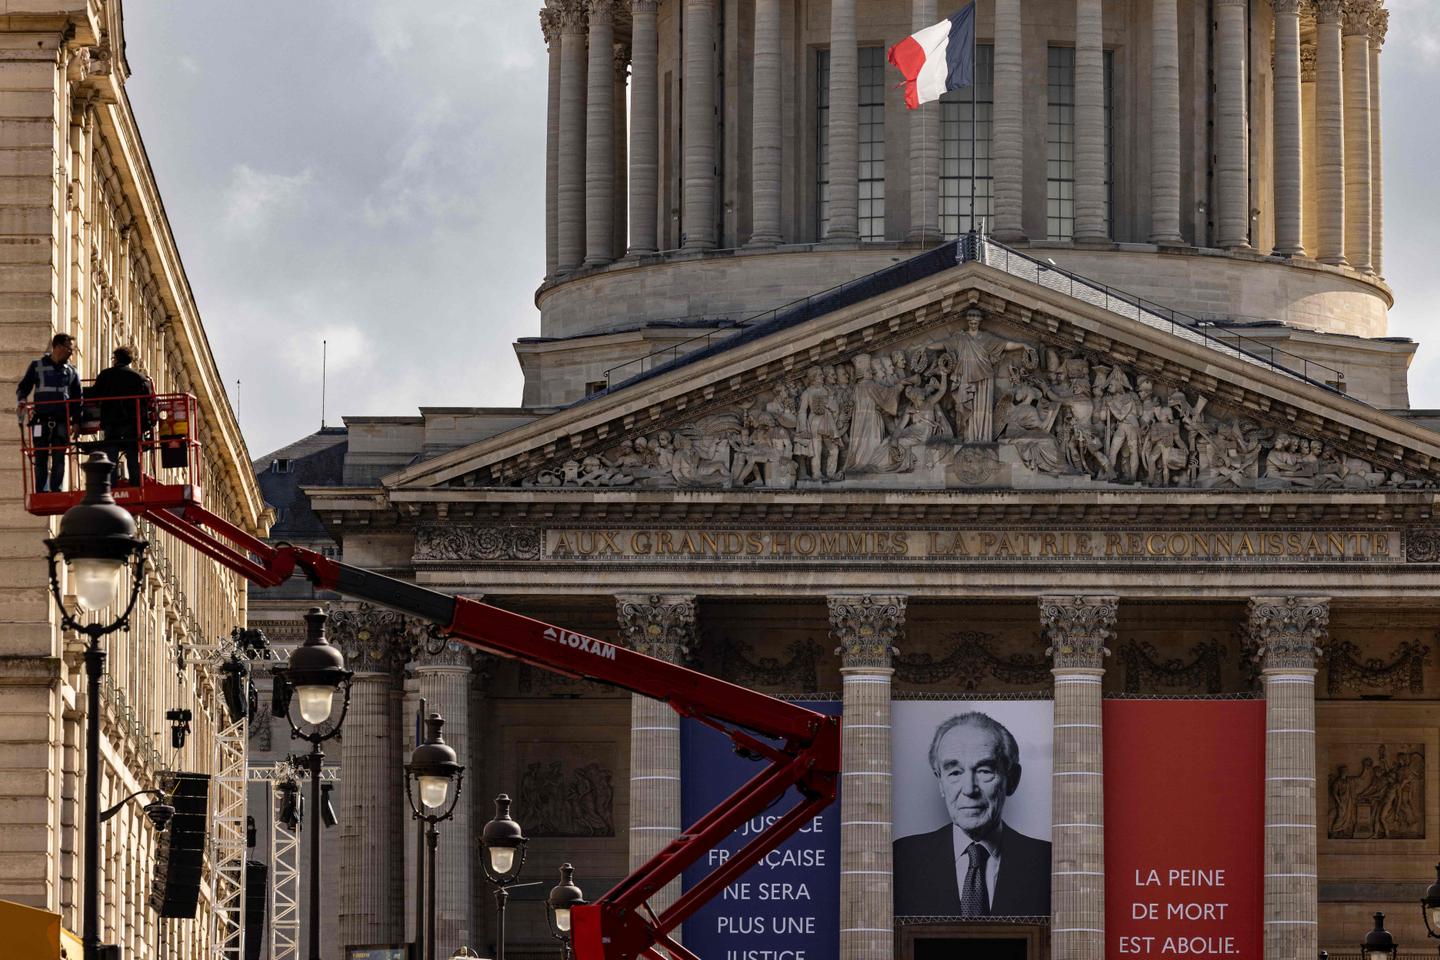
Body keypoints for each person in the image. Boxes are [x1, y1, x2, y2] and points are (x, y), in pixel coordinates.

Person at [894, 712, 1051, 917]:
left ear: (1012, 779)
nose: (969, 789)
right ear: (940, 783)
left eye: (985, 771)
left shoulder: (1049, 861)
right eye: (955, 773)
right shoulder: (901, 859)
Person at [15, 333, 82, 492]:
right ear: (58, 346)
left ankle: (56, 489)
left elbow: (77, 399)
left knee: (59, 459)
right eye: (69, 349)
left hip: (61, 421)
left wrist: (77, 422)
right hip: (41, 420)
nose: (71, 353)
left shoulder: (71, 372)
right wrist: (22, 400)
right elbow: (23, 387)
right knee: (40, 458)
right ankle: (41, 490)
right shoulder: (37, 366)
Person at [87, 345, 155, 485]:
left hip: (112, 422)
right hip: (132, 423)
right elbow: (148, 400)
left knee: (111, 453)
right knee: (132, 455)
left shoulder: (106, 376)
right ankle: (136, 484)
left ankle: (110, 485)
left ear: (116, 359)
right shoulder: (140, 379)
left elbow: (94, 394)